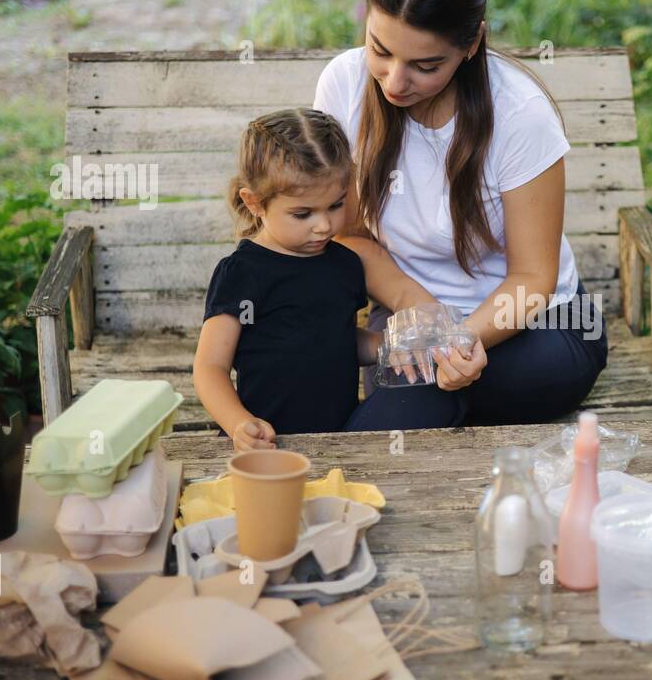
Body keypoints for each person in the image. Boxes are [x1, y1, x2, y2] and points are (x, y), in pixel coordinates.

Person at [317, 0, 608, 432]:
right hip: (408, 311)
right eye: (380, 50)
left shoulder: (519, 114)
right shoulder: (342, 85)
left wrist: (458, 340)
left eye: (425, 65)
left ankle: (341, 477)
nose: (394, 81)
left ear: (471, 42)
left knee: (423, 382)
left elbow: (533, 279)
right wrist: (425, 318)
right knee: (410, 375)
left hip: (535, 325)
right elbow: (348, 235)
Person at [192, 107, 480, 452]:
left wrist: (389, 345)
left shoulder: (343, 263)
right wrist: (239, 423)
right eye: (303, 213)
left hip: (342, 433)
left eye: (335, 205)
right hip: (269, 440)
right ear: (254, 203)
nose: (324, 225)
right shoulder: (242, 273)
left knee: (437, 396)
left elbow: (337, 339)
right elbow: (210, 366)